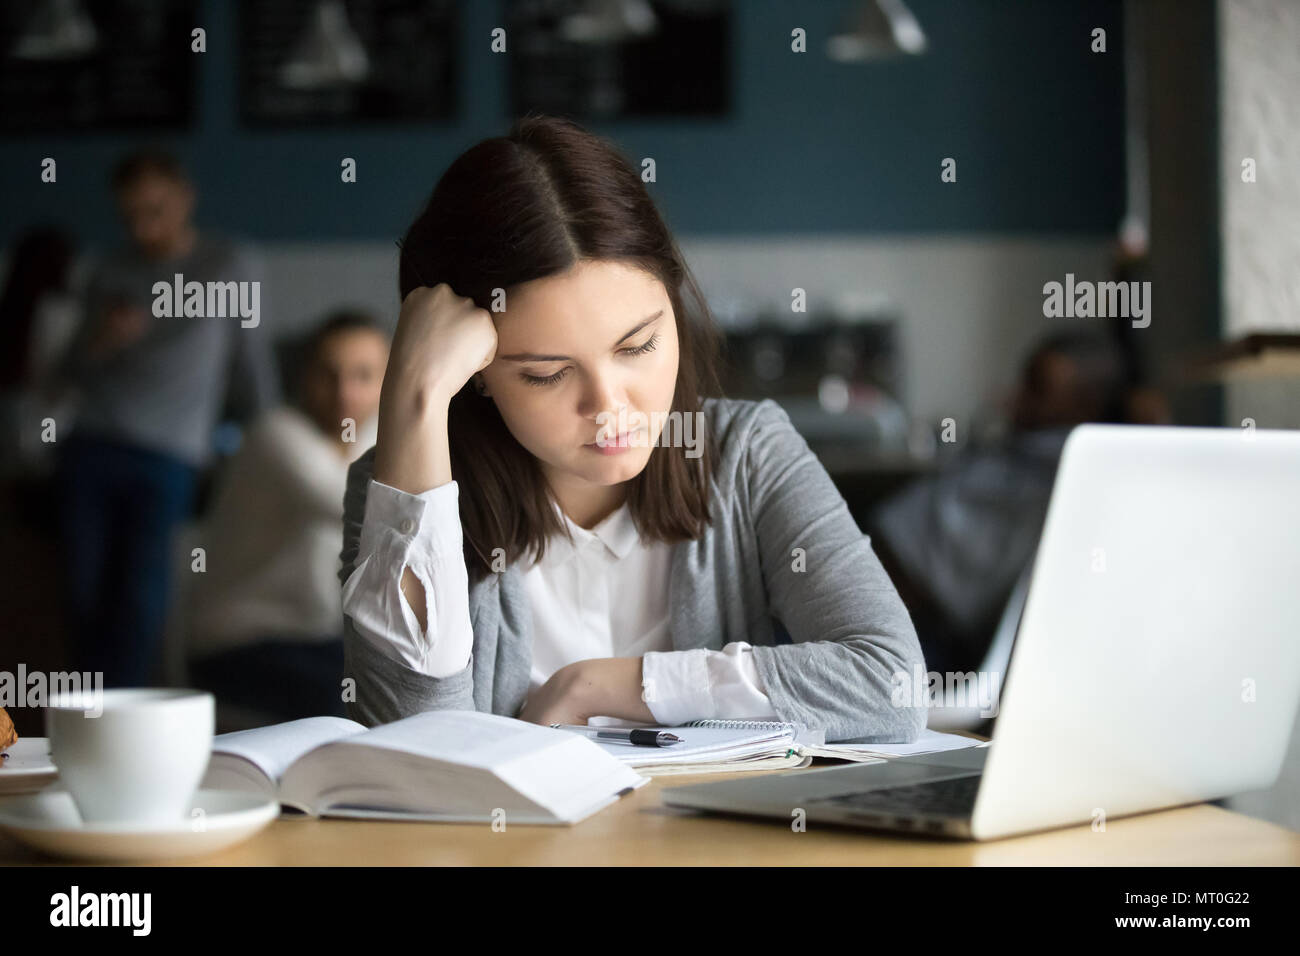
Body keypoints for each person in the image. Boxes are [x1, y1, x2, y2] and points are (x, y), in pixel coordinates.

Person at [338, 115, 927, 743]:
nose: (609, 404)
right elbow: (414, 753)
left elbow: (893, 685)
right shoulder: (398, 483)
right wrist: (416, 394)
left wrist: (602, 686)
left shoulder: (747, 454)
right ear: (477, 374)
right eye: (547, 374)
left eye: (639, 345)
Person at [50, 147, 280, 688]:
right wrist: (103, 341)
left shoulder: (228, 265)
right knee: (83, 593)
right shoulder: (110, 268)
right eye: (130, 215)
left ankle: (120, 720)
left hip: (170, 458)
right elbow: (69, 371)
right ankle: (85, 715)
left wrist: (272, 439)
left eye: (154, 210)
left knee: (141, 598)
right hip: (91, 446)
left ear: (185, 198)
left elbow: (252, 365)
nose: (143, 227)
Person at [868, 329, 1149, 675]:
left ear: (1088, 401)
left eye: (1038, 388)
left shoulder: (1065, 473)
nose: (1018, 398)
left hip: (918, 640)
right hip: (870, 612)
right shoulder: (1015, 453)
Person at [187, 311, 389, 721]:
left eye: (364, 375)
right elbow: (358, 509)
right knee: (357, 698)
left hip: (319, 642)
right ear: (304, 376)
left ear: (388, 382)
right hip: (238, 645)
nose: (344, 392)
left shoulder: (371, 438)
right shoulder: (275, 434)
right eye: (328, 374)